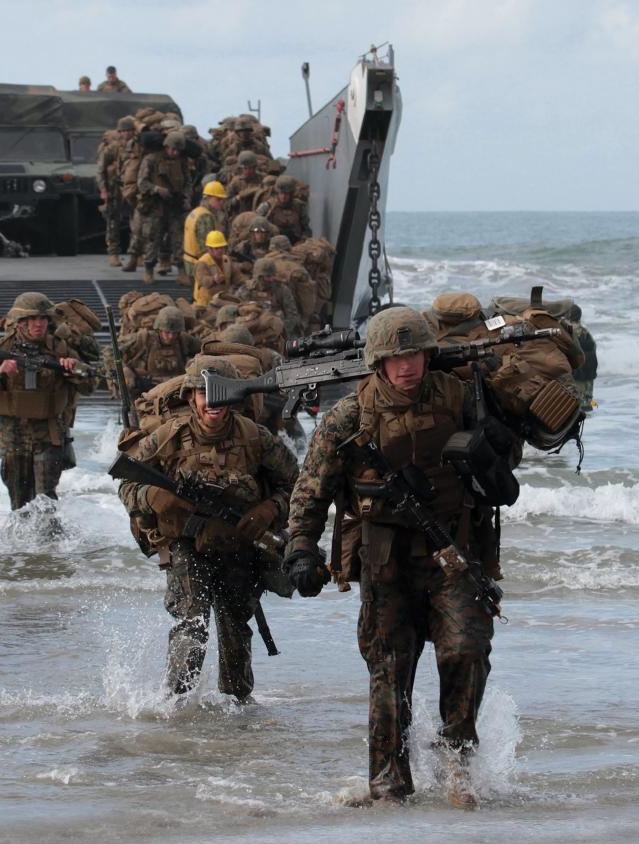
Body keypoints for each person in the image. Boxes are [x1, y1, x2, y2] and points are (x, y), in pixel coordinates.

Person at [284, 307, 502, 809]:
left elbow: (499, 455)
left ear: (428, 355)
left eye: (415, 354)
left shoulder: (458, 396)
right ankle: (387, 784)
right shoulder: (349, 417)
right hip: (386, 560)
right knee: (388, 671)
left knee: (467, 650)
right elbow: (310, 490)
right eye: (395, 356)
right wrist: (301, 548)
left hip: (452, 551)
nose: (407, 365)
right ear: (378, 363)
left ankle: (457, 761)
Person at [118, 356, 299, 701]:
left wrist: (270, 508)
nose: (212, 402)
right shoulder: (166, 438)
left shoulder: (256, 438)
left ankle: (239, 708)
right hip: (187, 544)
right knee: (191, 625)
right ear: (190, 397)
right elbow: (126, 484)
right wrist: (151, 496)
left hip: (240, 546)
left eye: (221, 394)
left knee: (234, 631)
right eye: (204, 393)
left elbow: (300, 485)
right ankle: (176, 705)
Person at [0, 293, 93, 510]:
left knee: (46, 501)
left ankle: (50, 542)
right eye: (33, 319)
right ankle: (20, 544)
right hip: (13, 433)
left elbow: (89, 385)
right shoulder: (0, 349)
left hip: (49, 432)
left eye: (43, 319)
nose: (39, 325)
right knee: (19, 502)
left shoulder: (60, 348)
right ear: (20, 323)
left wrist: (74, 370)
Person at [137, 131, 191, 285]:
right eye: (173, 149)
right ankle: (149, 271)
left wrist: (186, 197)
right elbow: (141, 183)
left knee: (179, 239)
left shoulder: (182, 162)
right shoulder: (151, 160)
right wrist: (156, 189)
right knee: (153, 239)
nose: (175, 153)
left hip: (175, 206)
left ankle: (181, 272)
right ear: (166, 146)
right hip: (156, 206)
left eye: (178, 150)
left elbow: (188, 182)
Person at [116, 305, 202, 393]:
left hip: (176, 389)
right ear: (159, 329)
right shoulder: (144, 338)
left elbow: (205, 349)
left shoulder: (184, 339)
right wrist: (124, 369)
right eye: (167, 332)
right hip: (146, 389)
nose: (171, 336)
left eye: (175, 333)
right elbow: (113, 350)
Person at [97, 115, 138, 267]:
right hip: (115, 189)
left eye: (130, 130)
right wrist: (103, 189)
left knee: (137, 222)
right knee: (113, 221)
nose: (127, 134)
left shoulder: (138, 146)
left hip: (133, 189)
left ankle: (136, 254)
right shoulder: (113, 148)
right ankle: (113, 253)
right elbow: (100, 170)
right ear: (120, 132)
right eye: (124, 131)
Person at [183, 181, 227, 275]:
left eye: (222, 200)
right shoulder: (205, 217)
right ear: (208, 198)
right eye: (218, 199)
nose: (221, 203)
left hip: (190, 261)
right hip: (198, 264)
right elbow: (206, 247)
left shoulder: (196, 212)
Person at [255, 175, 311, 244]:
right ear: (277, 193)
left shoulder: (299, 207)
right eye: (281, 193)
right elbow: (256, 226)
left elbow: (307, 230)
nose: (283, 196)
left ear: (291, 194)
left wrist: (303, 240)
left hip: (296, 244)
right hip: (272, 244)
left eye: (286, 194)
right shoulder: (268, 206)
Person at [567, 304, 597, 411]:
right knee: (587, 407)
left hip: (577, 378)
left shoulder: (569, 333)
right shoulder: (586, 332)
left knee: (576, 410)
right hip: (589, 378)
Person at [193, 230, 235, 306]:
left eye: (222, 248)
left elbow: (236, 275)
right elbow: (202, 280)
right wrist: (213, 279)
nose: (220, 251)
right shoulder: (202, 262)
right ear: (210, 249)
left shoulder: (226, 260)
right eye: (216, 248)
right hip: (205, 304)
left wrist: (246, 282)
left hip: (222, 301)